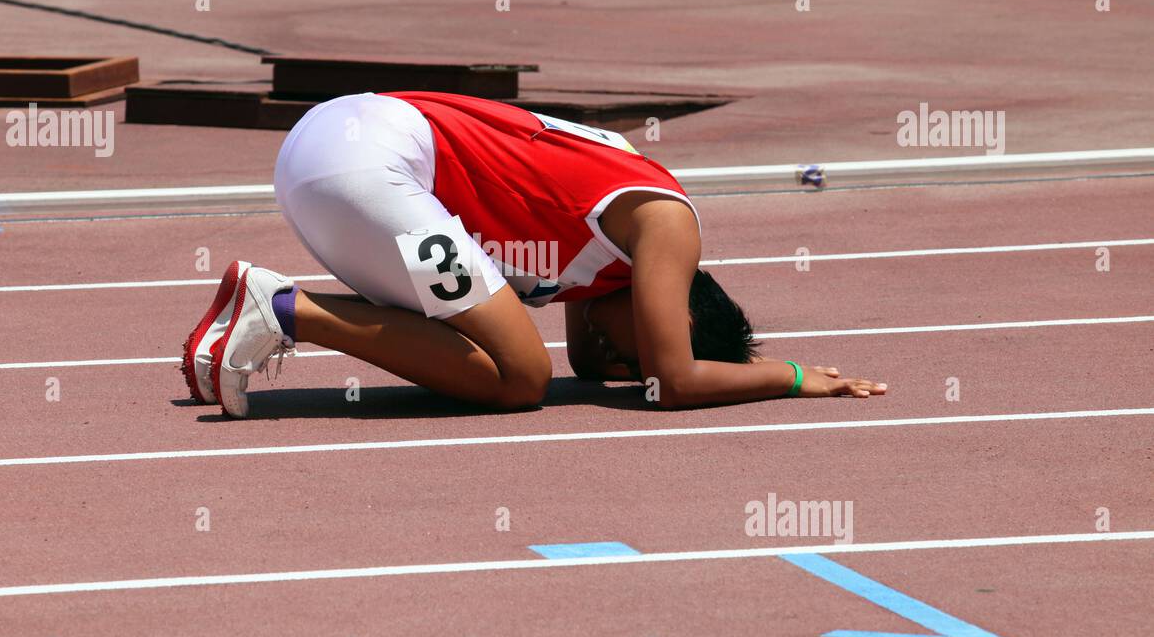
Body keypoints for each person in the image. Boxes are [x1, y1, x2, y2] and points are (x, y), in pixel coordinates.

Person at [181, 91, 886, 418]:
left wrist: (639, 357)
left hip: (331, 149)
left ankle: (278, 311)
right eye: (635, 355)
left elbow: (589, 359)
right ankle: (279, 308)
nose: (617, 367)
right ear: (676, 314)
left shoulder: (603, 269)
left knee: (494, 347)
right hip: (371, 166)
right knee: (520, 379)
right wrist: (790, 377)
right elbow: (673, 383)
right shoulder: (669, 225)